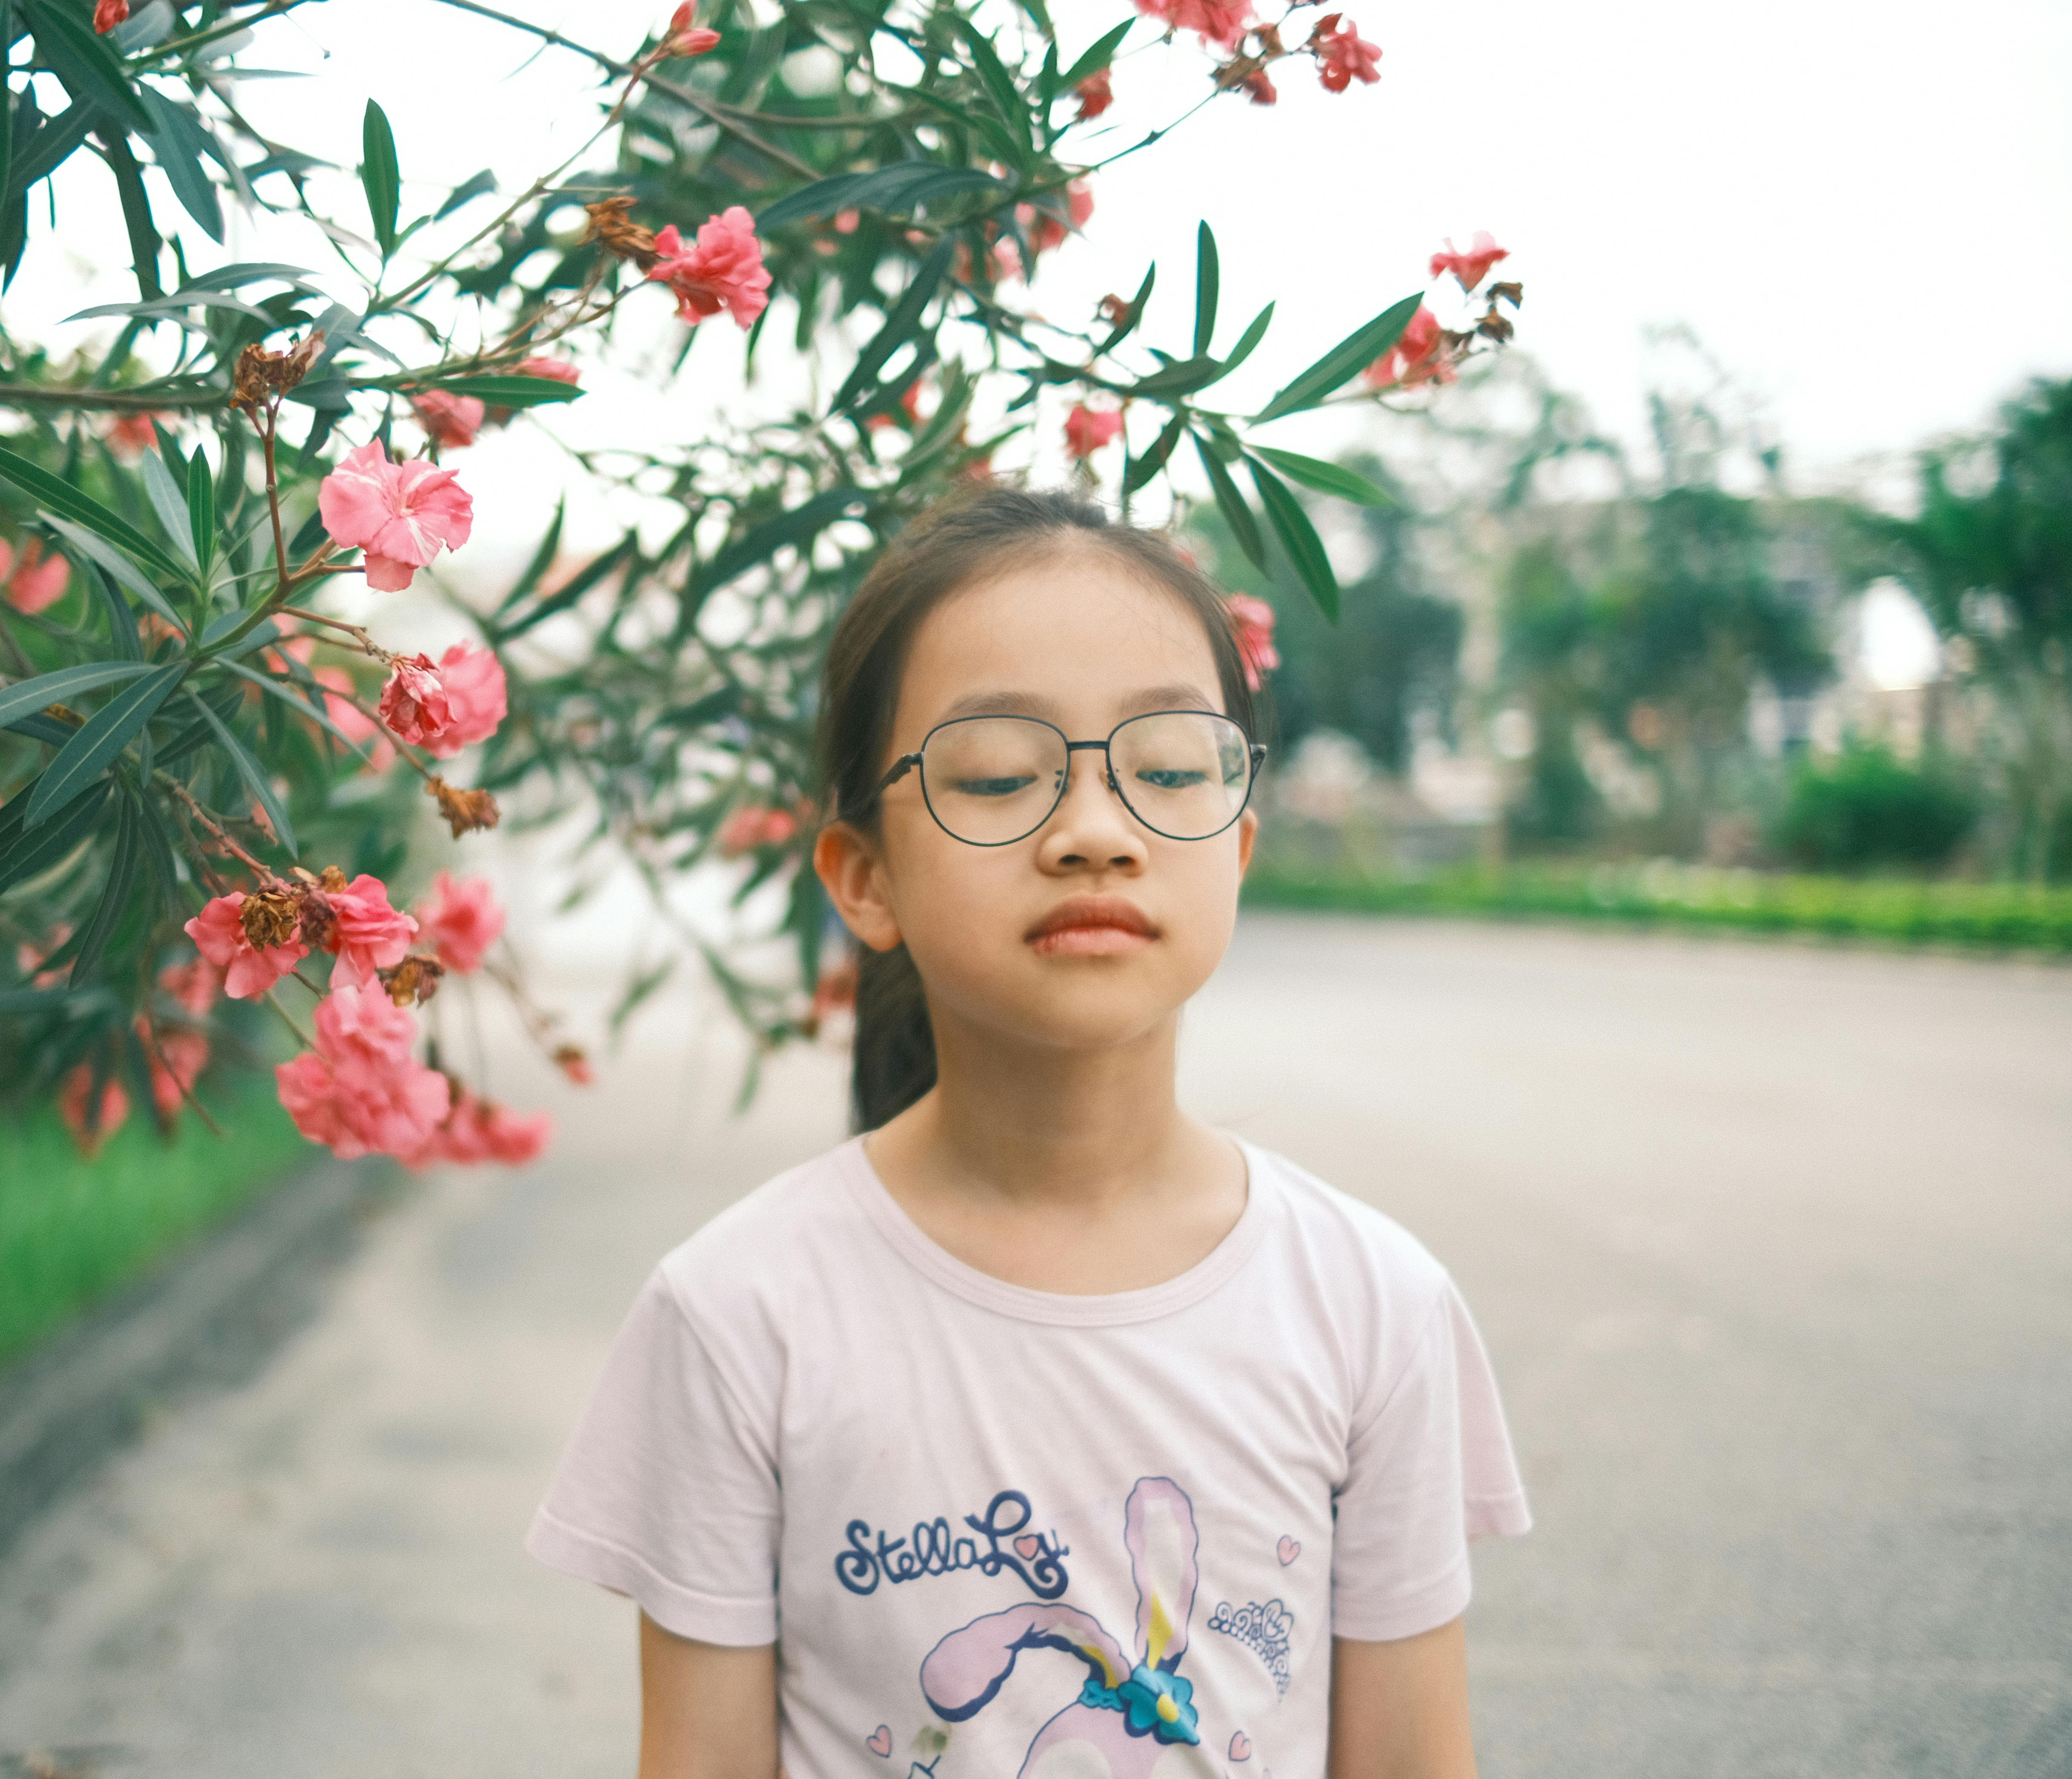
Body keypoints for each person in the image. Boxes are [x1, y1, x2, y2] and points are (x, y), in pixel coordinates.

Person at [525, 485, 1530, 1779]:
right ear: (863, 878)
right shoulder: (738, 1317)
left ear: (1236, 845)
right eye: (1000, 775)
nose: (1097, 833)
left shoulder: (1373, 1306)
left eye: (1170, 767)